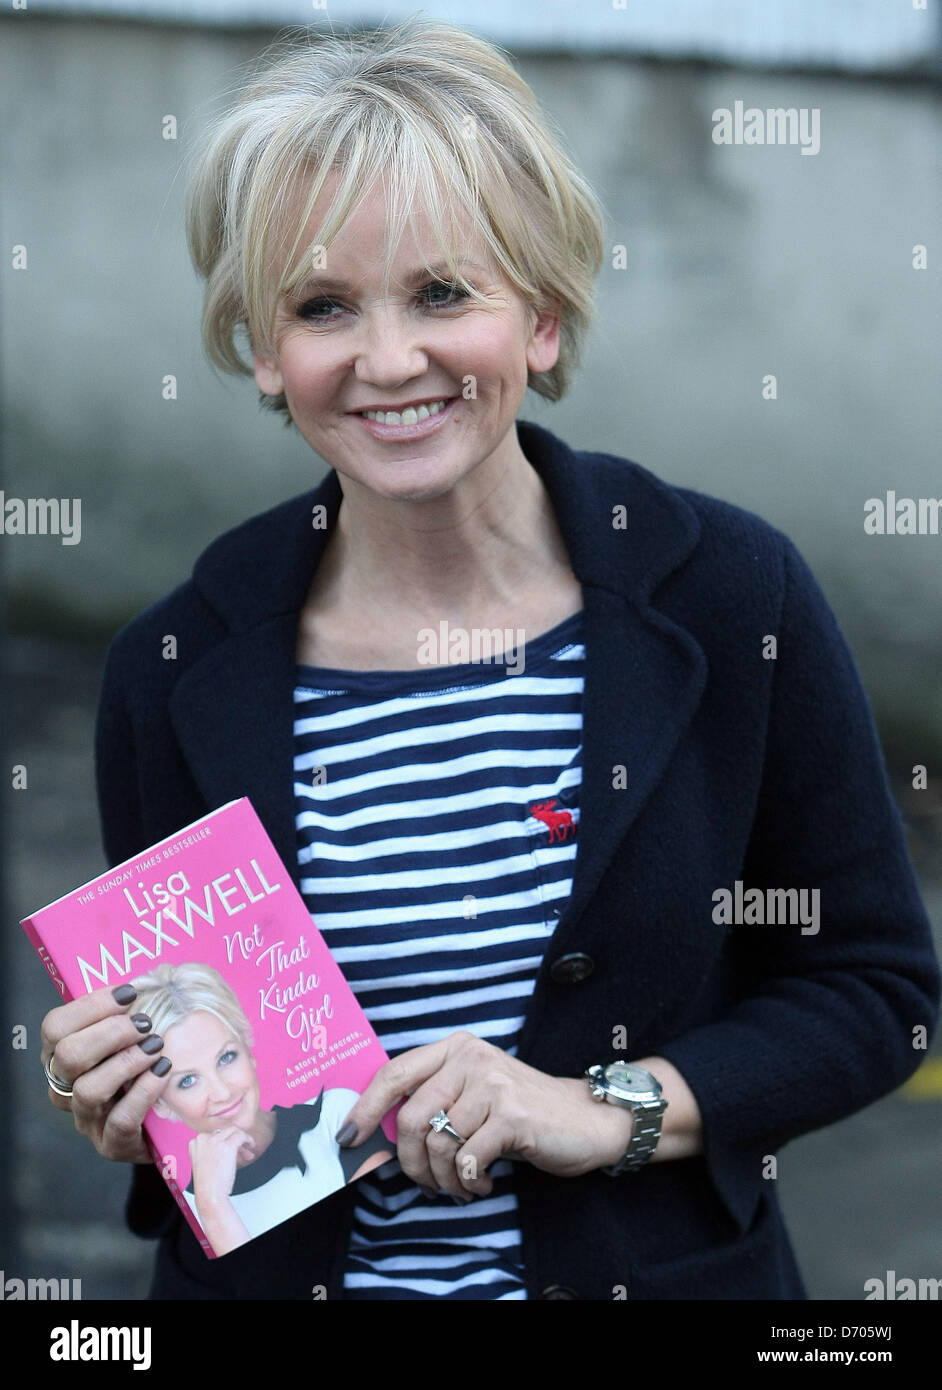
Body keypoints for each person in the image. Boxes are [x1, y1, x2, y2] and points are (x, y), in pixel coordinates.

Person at [40, 17, 940, 1300]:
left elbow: (875, 990)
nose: (388, 359)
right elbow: (208, 1132)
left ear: (547, 318)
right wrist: (135, 1106)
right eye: (322, 305)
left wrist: (610, 1107)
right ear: (259, 349)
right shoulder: (175, 665)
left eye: (444, 293)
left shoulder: (732, 595)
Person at [124, 962, 391, 1256]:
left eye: (226, 1057)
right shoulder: (196, 1204)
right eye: (187, 1081)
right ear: (160, 1104)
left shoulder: (335, 1114)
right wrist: (213, 1204)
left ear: (248, 1051)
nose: (222, 1093)